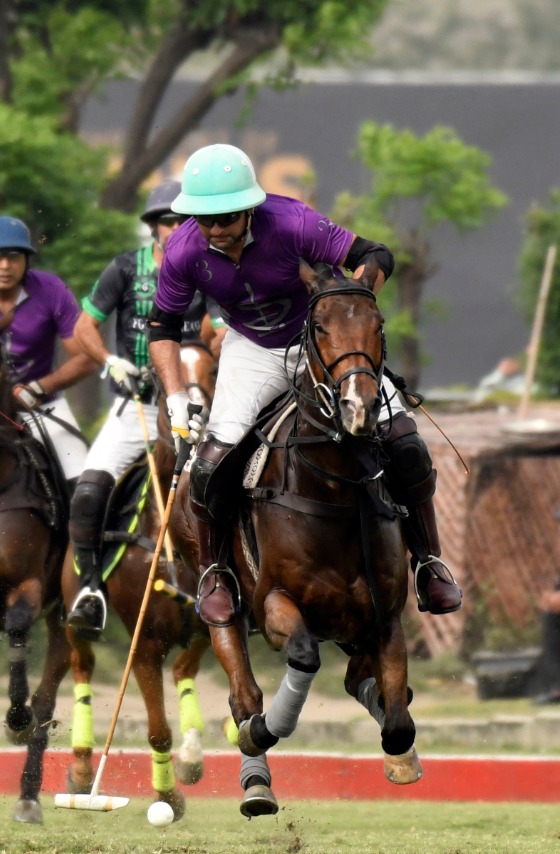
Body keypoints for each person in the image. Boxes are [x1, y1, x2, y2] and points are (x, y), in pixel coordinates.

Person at [147, 143, 462, 627]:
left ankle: (428, 561)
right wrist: (173, 397)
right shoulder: (183, 251)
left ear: (250, 207)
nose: (216, 229)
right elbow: (163, 328)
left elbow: (375, 254)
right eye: (205, 218)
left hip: (326, 341)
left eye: (227, 217)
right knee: (210, 462)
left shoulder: (292, 221)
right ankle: (216, 572)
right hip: (252, 349)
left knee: (405, 441)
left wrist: (345, 308)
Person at [64, 181, 212, 640]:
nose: (176, 228)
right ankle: (90, 589)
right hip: (140, 407)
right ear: (153, 227)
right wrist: (110, 361)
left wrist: (211, 361)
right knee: (89, 489)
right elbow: (84, 326)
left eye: (184, 220)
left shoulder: (209, 270)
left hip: (197, 405)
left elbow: (221, 330)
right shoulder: (125, 269)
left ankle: (237, 583)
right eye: (167, 221)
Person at [0, 215, 98, 492]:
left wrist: (37, 388)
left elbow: (86, 358)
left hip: (42, 405)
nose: (5, 265)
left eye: (14, 256)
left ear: (27, 261)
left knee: (82, 478)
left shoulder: (52, 290)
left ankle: (77, 536)